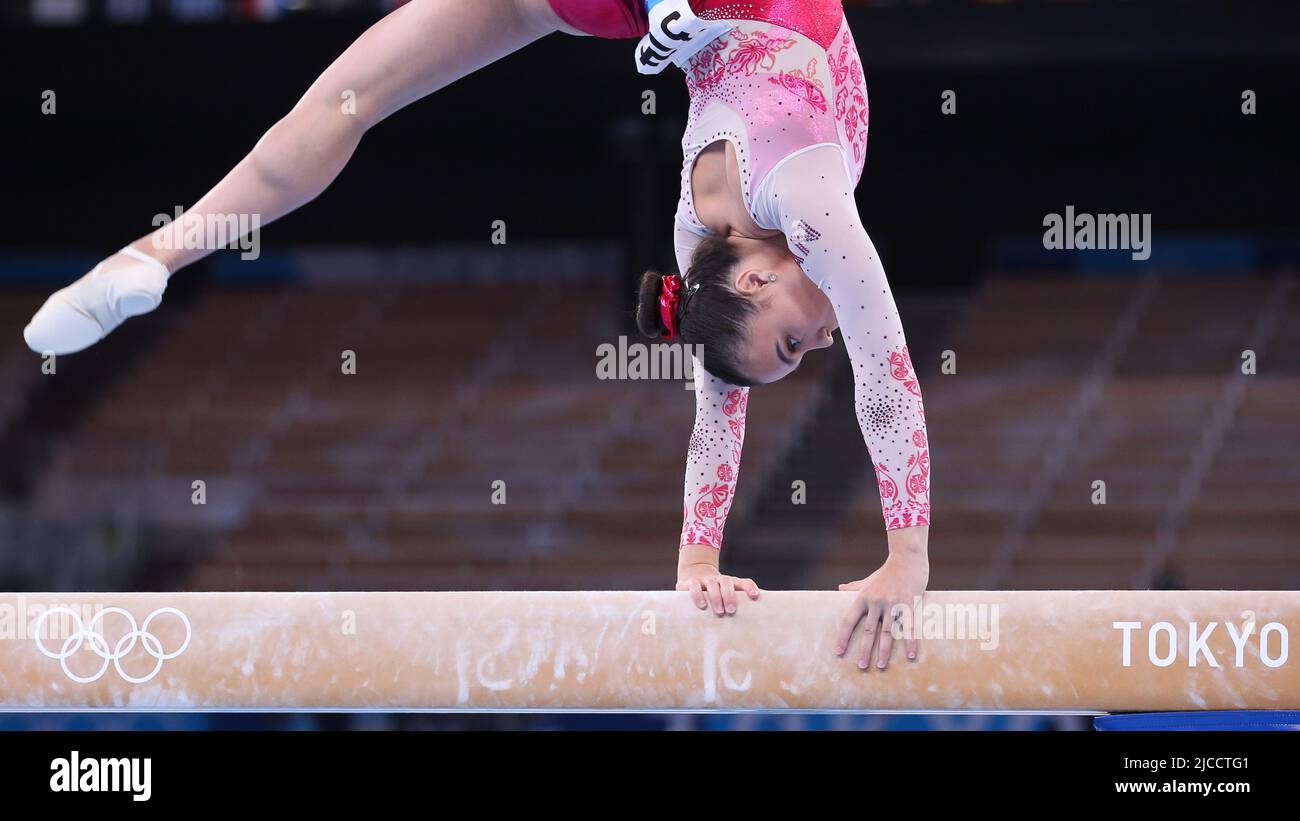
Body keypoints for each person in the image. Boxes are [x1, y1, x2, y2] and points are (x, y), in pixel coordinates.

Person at [23, 0, 930, 670]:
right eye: (798, 351)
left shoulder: (767, 218)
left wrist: (706, 560)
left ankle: (162, 250)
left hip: (651, 13)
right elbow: (869, 371)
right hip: (636, 15)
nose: (820, 342)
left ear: (756, 279)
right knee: (350, 101)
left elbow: (774, 387)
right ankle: (162, 250)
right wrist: (903, 558)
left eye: (792, 347)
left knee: (349, 101)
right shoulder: (757, 216)